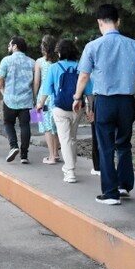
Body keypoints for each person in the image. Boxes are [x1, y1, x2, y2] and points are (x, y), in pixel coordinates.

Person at [73, 4, 135, 205]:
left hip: (104, 101)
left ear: (99, 23)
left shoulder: (92, 47)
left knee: (106, 146)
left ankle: (111, 192)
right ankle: (124, 185)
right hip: (126, 101)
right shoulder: (133, 45)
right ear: (118, 21)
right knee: (123, 144)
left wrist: (77, 97)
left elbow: (84, 75)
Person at [40, 38, 92, 183]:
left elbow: (47, 88)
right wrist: (90, 106)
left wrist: (40, 103)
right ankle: (71, 165)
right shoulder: (80, 67)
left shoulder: (54, 68)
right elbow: (88, 89)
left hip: (60, 107)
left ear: (60, 53)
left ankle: (70, 171)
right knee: (73, 138)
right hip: (77, 107)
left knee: (65, 139)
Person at [0, 36, 36, 164]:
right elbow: (36, 83)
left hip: (10, 99)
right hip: (26, 100)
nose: (8, 47)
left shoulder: (6, 61)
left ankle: (13, 146)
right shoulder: (32, 62)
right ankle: (24, 155)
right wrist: (34, 98)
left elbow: (0, 79)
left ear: (15, 46)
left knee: (8, 123)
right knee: (25, 126)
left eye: (10, 45)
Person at [33, 35, 61, 164]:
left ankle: (51, 156)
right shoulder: (58, 62)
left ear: (43, 47)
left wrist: (35, 98)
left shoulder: (39, 62)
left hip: (43, 95)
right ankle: (56, 153)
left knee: (46, 126)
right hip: (57, 94)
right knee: (56, 124)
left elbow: (37, 82)